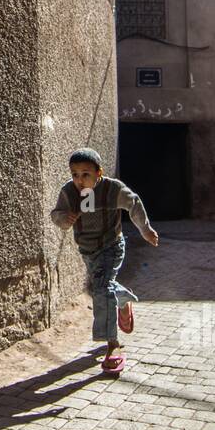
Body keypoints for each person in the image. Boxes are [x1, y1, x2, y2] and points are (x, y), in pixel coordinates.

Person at [49, 148, 159, 368]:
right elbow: (56, 215)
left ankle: (112, 344)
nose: (80, 180)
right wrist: (65, 218)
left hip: (111, 246)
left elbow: (134, 203)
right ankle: (123, 299)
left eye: (85, 174)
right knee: (104, 285)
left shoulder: (112, 189)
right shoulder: (69, 192)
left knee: (100, 290)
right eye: (75, 174)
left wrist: (144, 229)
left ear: (99, 173)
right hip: (87, 250)